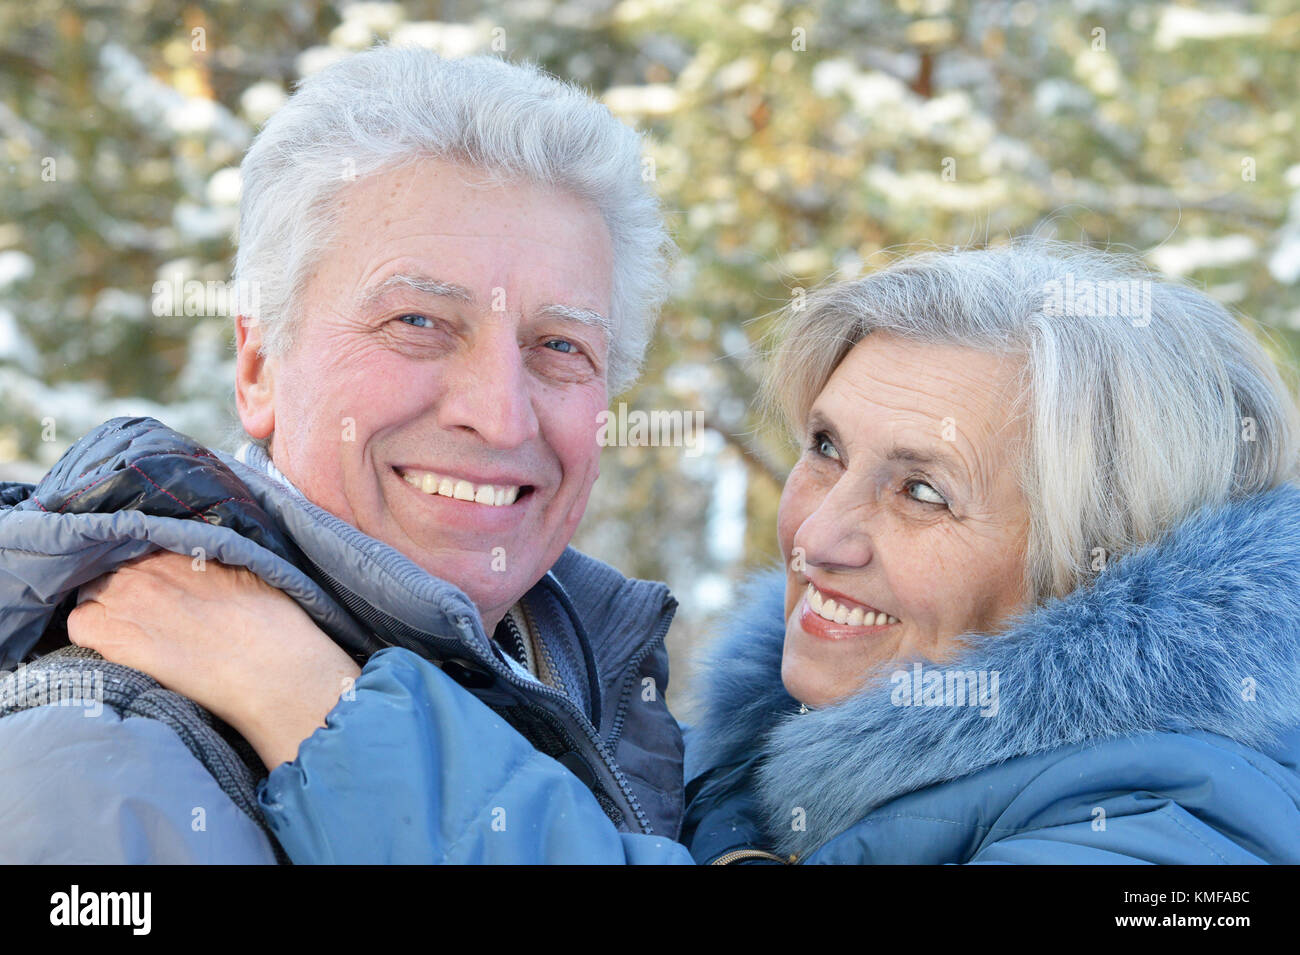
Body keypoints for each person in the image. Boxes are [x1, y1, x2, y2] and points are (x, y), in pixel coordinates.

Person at [94, 238, 1300, 863]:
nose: (818, 534)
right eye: (825, 446)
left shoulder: (1191, 834)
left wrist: (312, 705)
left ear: (1103, 559)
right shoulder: (771, 753)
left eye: (921, 491)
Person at [0, 45, 684, 863]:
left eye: (560, 344)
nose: (501, 417)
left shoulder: (606, 693)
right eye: (418, 322)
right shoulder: (107, 764)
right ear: (258, 367)